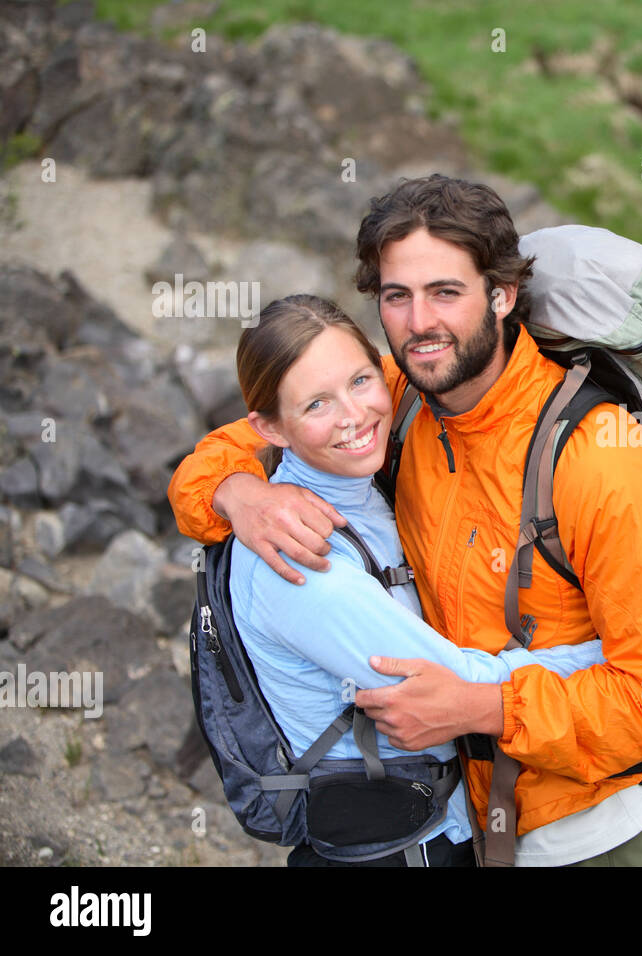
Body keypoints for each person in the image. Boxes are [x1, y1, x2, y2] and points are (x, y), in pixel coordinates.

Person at [168, 174, 642, 866]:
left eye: (446, 292)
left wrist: (486, 710)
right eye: (398, 296)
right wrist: (240, 495)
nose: (420, 323)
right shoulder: (403, 399)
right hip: (473, 820)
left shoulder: (606, 465)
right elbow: (228, 449)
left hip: (592, 830)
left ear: (502, 295)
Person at [226, 293, 603, 866]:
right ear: (269, 427)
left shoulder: (354, 488)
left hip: (423, 827)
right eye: (316, 404)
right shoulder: (301, 560)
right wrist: (608, 661)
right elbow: (458, 686)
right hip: (396, 849)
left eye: (359, 381)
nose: (354, 417)